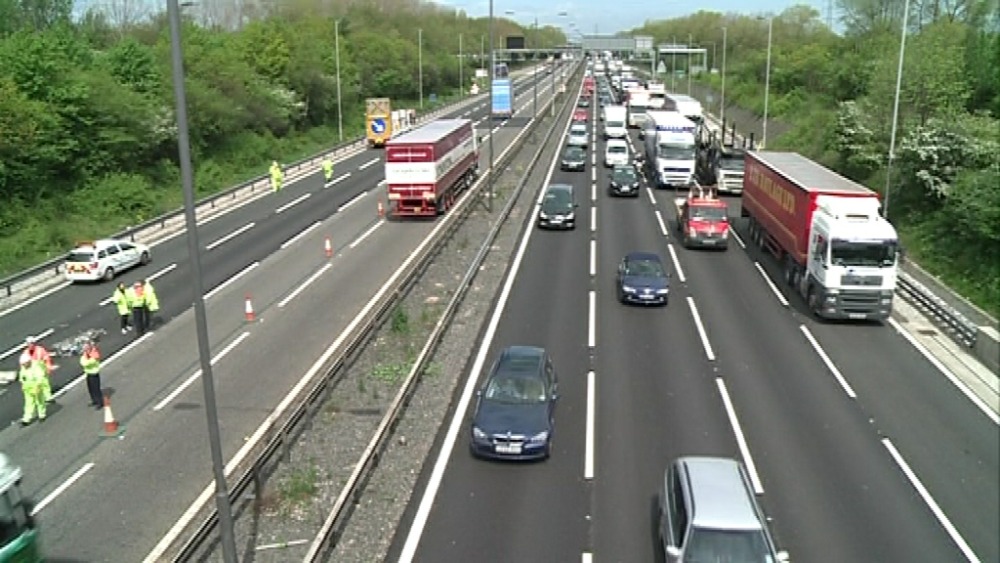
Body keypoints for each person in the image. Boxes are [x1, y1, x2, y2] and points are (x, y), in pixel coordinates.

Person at [18, 353, 46, 426]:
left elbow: (40, 377)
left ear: (28, 362)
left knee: (40, 401)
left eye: (24, 364)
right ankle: (26, 419)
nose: (23, 365)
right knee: (28, 404)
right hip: (27, 389)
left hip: (36, 387)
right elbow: (22, 377)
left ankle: (42, 415)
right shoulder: (23, 367)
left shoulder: (35, 367)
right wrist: (23, 384)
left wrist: (38, 386)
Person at [25, 336, 54, 404]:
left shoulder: (40, 350)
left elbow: (46, 359)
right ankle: (38, 397)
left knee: (45, 384)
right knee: (35, 386)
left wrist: (48, 367)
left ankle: (48, 397)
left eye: (32, 343)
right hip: (32, 373)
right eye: (29, 343)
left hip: (41, 371)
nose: (30, 345)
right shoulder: (26, 352)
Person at [80, 341, 103, 409]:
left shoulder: (94, 355)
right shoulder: (86, 355)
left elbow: (86, 363)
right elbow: (82, 361)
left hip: (94, 374)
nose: (84, 350)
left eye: (86, 348)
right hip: (89, 374)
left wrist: (85, 359)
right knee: (91, 389)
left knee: (96, 389)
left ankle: (100, 402)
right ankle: (94, 400)